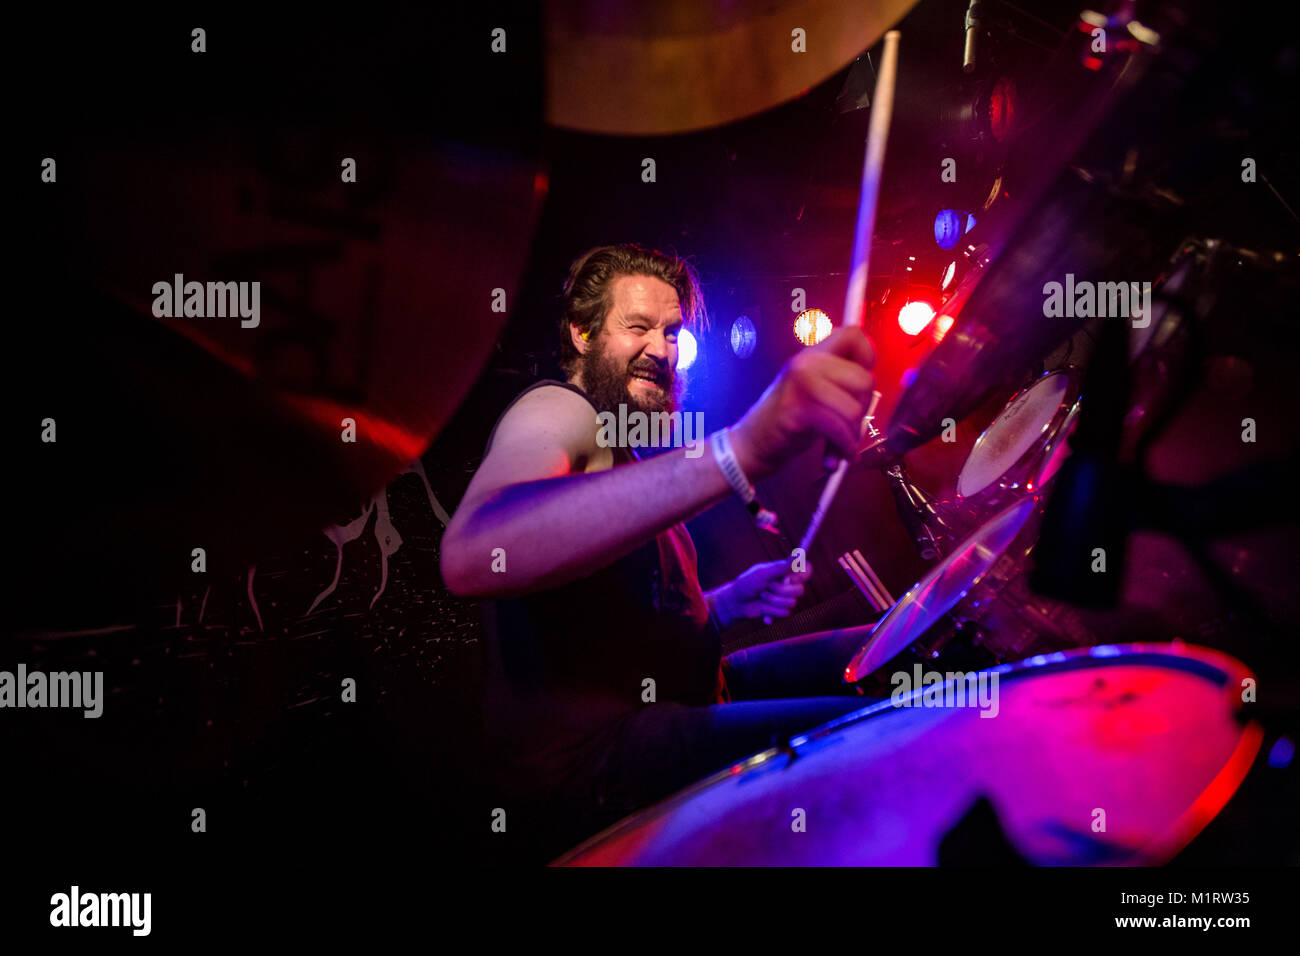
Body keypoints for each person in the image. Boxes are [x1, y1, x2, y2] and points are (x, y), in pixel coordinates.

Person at [441, 243, 879, 860]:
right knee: (871, 736)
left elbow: (628, 620)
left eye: (672, 332)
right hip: (597, 770)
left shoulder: (622, 447)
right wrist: (737, 450)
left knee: (883, 647)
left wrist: (724, 602)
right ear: (582, 332)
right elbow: (473, 551)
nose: (662, 349)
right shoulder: (559, 411)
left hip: (692, 691)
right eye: (639, 327)